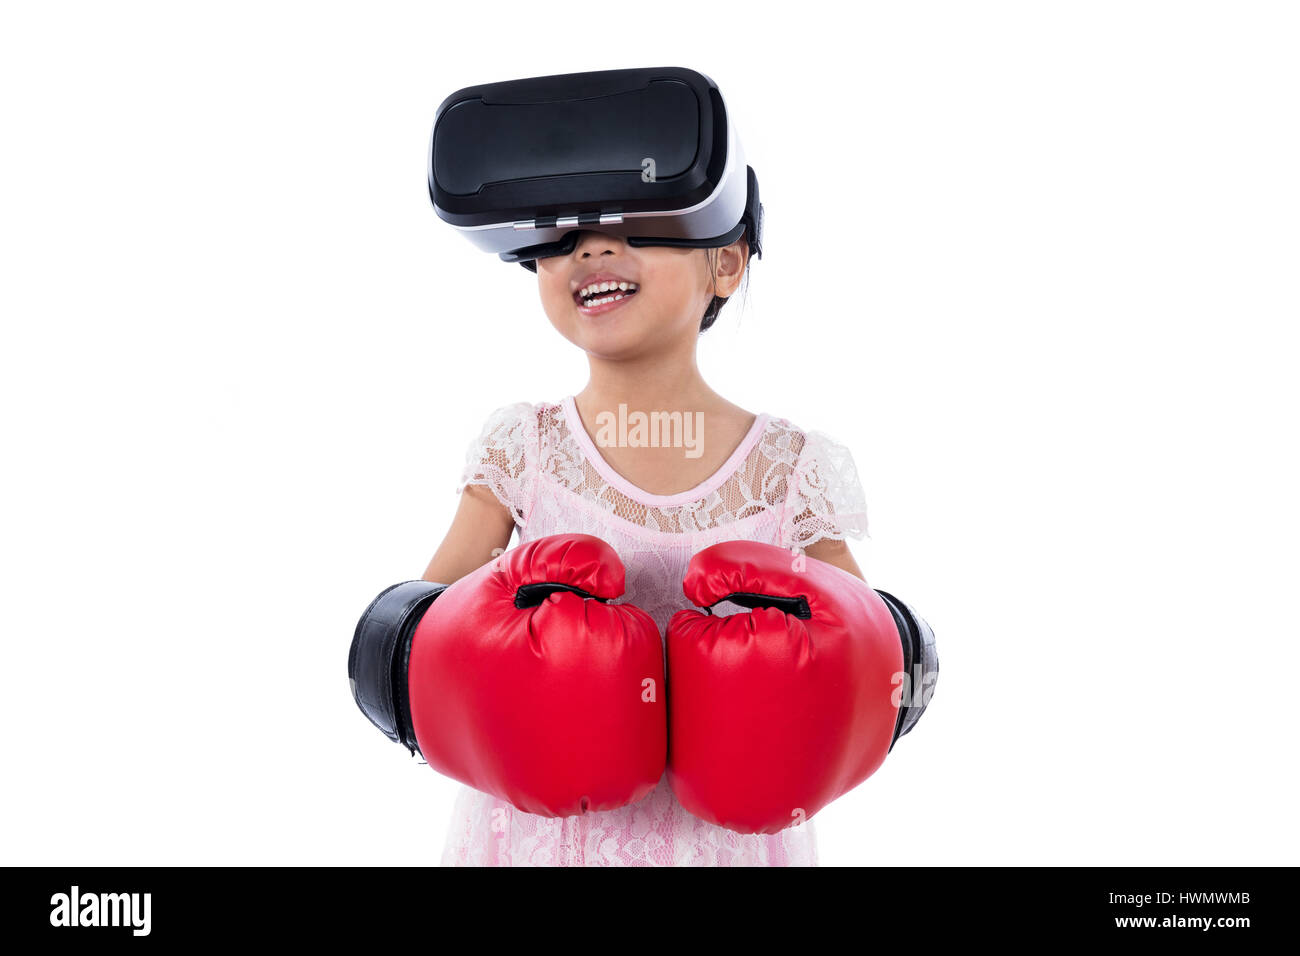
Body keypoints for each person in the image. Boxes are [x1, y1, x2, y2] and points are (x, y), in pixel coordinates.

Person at [424, 227, 870, 866]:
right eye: (566, 232)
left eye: (636, 227)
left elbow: (868, 656)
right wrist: (510, 679)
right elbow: (423, 643)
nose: (593, 249)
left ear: (724, 262)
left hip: (722, 848)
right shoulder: (523, 449)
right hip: (541, 844)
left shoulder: (789, 470)